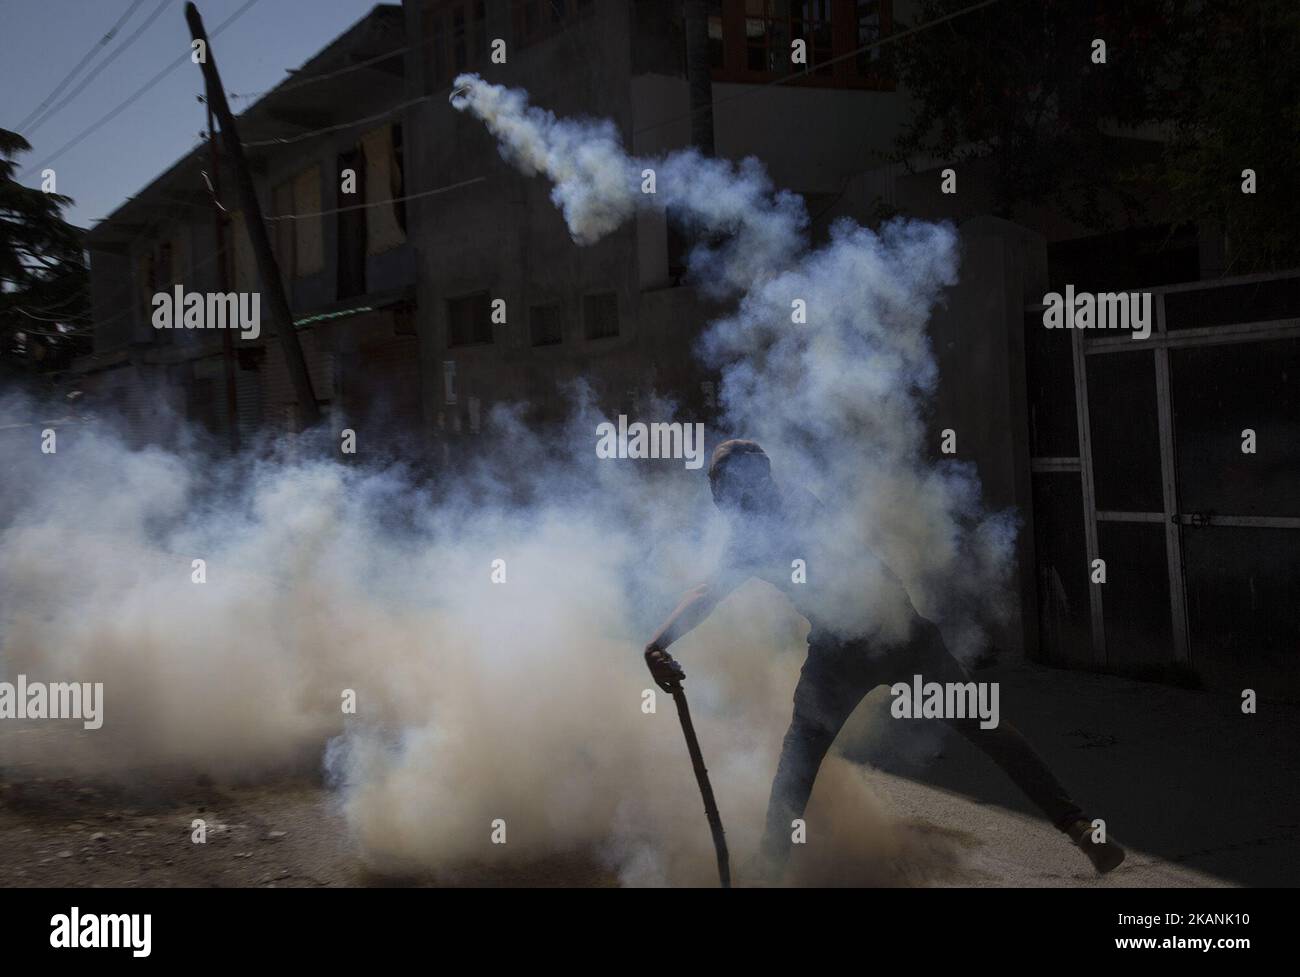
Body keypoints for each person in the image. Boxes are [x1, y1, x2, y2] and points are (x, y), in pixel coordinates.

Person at [643, 439, 1125, 879]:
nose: (720, 499)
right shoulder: (786, 505)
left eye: (722, 486)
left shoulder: (761, 527)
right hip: (899, 632)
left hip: (854, 647)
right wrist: (660, 642)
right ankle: (1080, 828)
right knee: (985, 729)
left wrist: (657, 642)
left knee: (799, 761)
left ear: (740, 486)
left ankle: (769, 868)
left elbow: (709, 590)